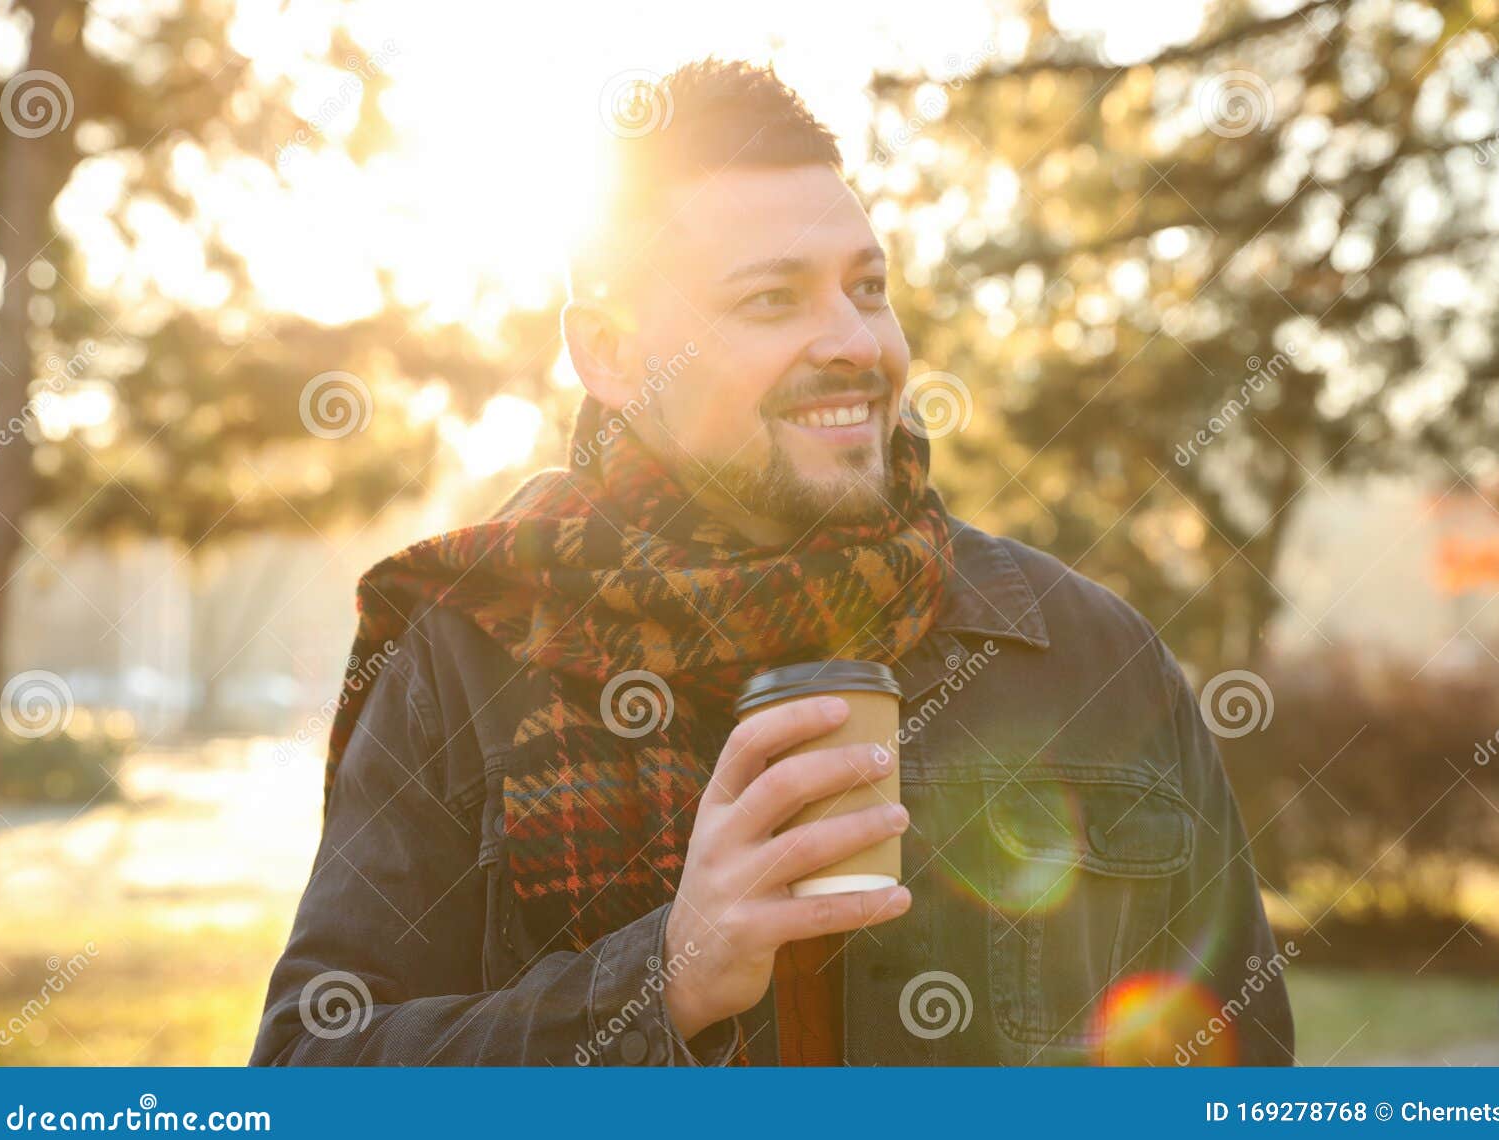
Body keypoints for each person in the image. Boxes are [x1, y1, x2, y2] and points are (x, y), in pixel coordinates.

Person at [250, 58, 1294, 1067]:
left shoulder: (1089, 657)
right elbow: (311, 1075)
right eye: (771, 299)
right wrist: (660, 980)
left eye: (867, 286)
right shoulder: (464, 654)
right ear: (611, 353)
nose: (853, 341)